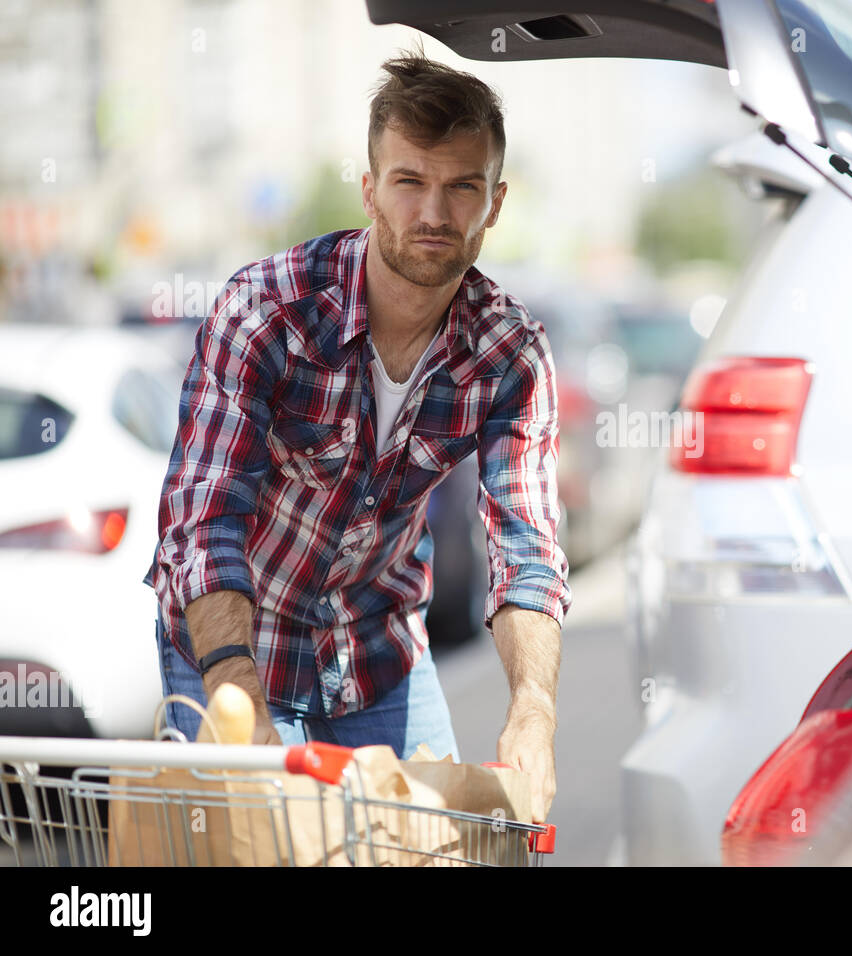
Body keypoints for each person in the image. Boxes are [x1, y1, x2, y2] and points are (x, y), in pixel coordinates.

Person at [142, 49, 570, 824]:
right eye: (410, 181)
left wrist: (533, 712)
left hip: (378, 658)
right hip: (237, 644)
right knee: (254, 843)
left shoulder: (511, 355)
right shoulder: (265, 312)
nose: (434, 213)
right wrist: (235, 693)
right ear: (370, 189)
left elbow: (528, 550)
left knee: (440, 843)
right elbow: (203, 522)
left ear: (495, 202)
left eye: (461, 187)